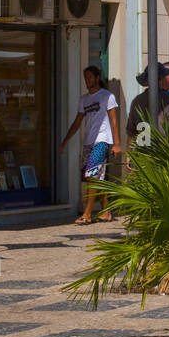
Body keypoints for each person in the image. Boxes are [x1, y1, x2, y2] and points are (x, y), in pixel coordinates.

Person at [60, 66, 120, 224]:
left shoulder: (107, 96)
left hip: (102, 140)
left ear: (97, 77)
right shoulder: (84, 99)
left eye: (90, 77)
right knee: (95, 178)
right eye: (85, 77)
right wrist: (65, 141)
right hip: (88, 141)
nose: (87, 80)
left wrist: (117, 144)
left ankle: (87, 214)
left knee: (92, 176)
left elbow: (114, 121)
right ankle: (106, 212)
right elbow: (77, 122)